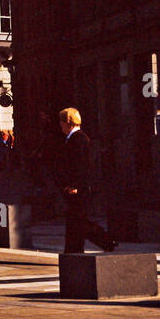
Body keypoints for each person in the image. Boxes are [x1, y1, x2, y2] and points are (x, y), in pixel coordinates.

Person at [57, 108, 117, 254]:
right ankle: (104, 242)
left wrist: (75, 185)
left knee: (78, 221)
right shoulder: (75, 138)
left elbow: (81, 165)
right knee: (78, 221)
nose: (60, 125)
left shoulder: (78, 139)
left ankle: (77, 251)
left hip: (78, 188)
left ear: (68, 122)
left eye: (62, 122)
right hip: (77, 187)